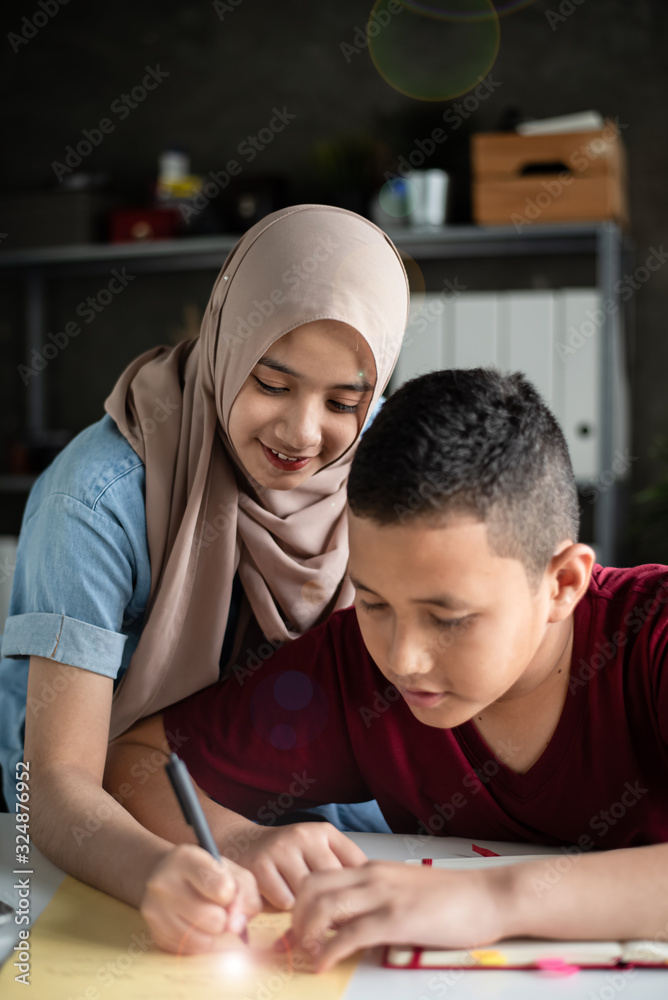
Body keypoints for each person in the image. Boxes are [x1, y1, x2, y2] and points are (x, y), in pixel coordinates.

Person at [105, 367, 668, 966]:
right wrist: (238, 839)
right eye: (373, 602)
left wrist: (490, 901)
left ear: (562, 583)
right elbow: (139, 760)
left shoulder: (652, 636)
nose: (402, 660)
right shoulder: (353, 666)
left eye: (448, 618)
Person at [0, 204, 410, 910]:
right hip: (111, 819)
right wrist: (164, 870)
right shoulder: (96, 500)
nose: (301, 432)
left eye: (344, 401)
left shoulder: (378, 471)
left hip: (297, 809)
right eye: (272, 384)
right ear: (225, 342)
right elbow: (57, 782)